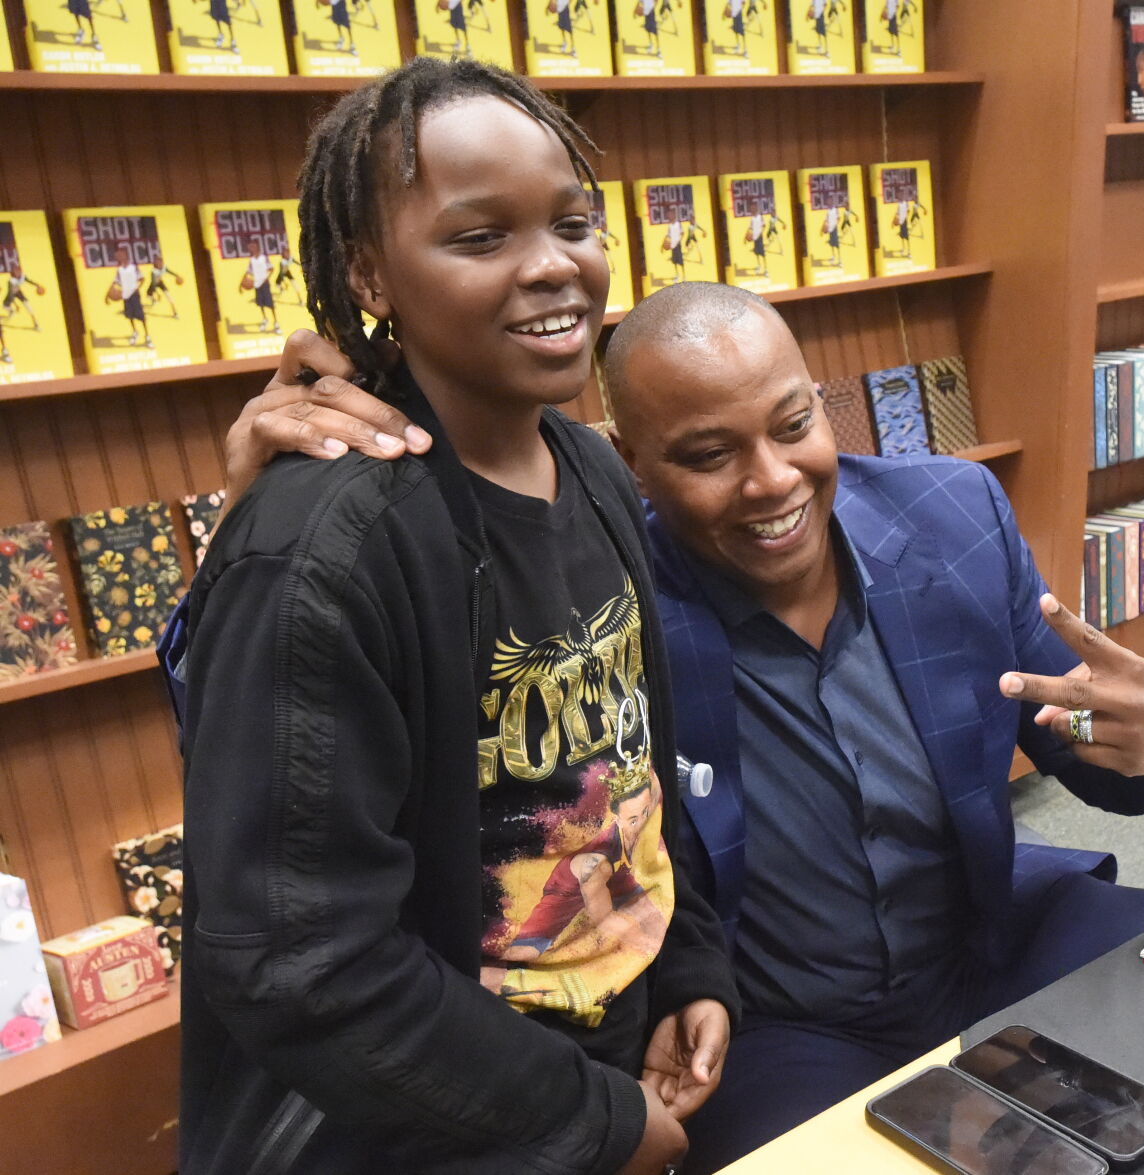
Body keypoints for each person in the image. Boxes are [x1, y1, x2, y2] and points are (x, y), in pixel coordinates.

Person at [212, 281, 1144, 1170]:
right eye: (706, 453)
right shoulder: (590, 594)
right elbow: (303, 729)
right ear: (630, 465)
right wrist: (252, 522)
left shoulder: (954, 514)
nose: (772, 480)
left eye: (793, 425)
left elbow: (1084, 743)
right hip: (773, 1019)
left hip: (992, 939)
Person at [170, 59, 737, 1174]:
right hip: (431, 1125)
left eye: (574, 222)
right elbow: (301, 960)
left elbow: (631, 781)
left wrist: (688, 970)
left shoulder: (589, 465)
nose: (552, 267)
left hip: (601, 1068)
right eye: (479, 238)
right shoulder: (329, 548)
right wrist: (595, 1122)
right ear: (369, 270)